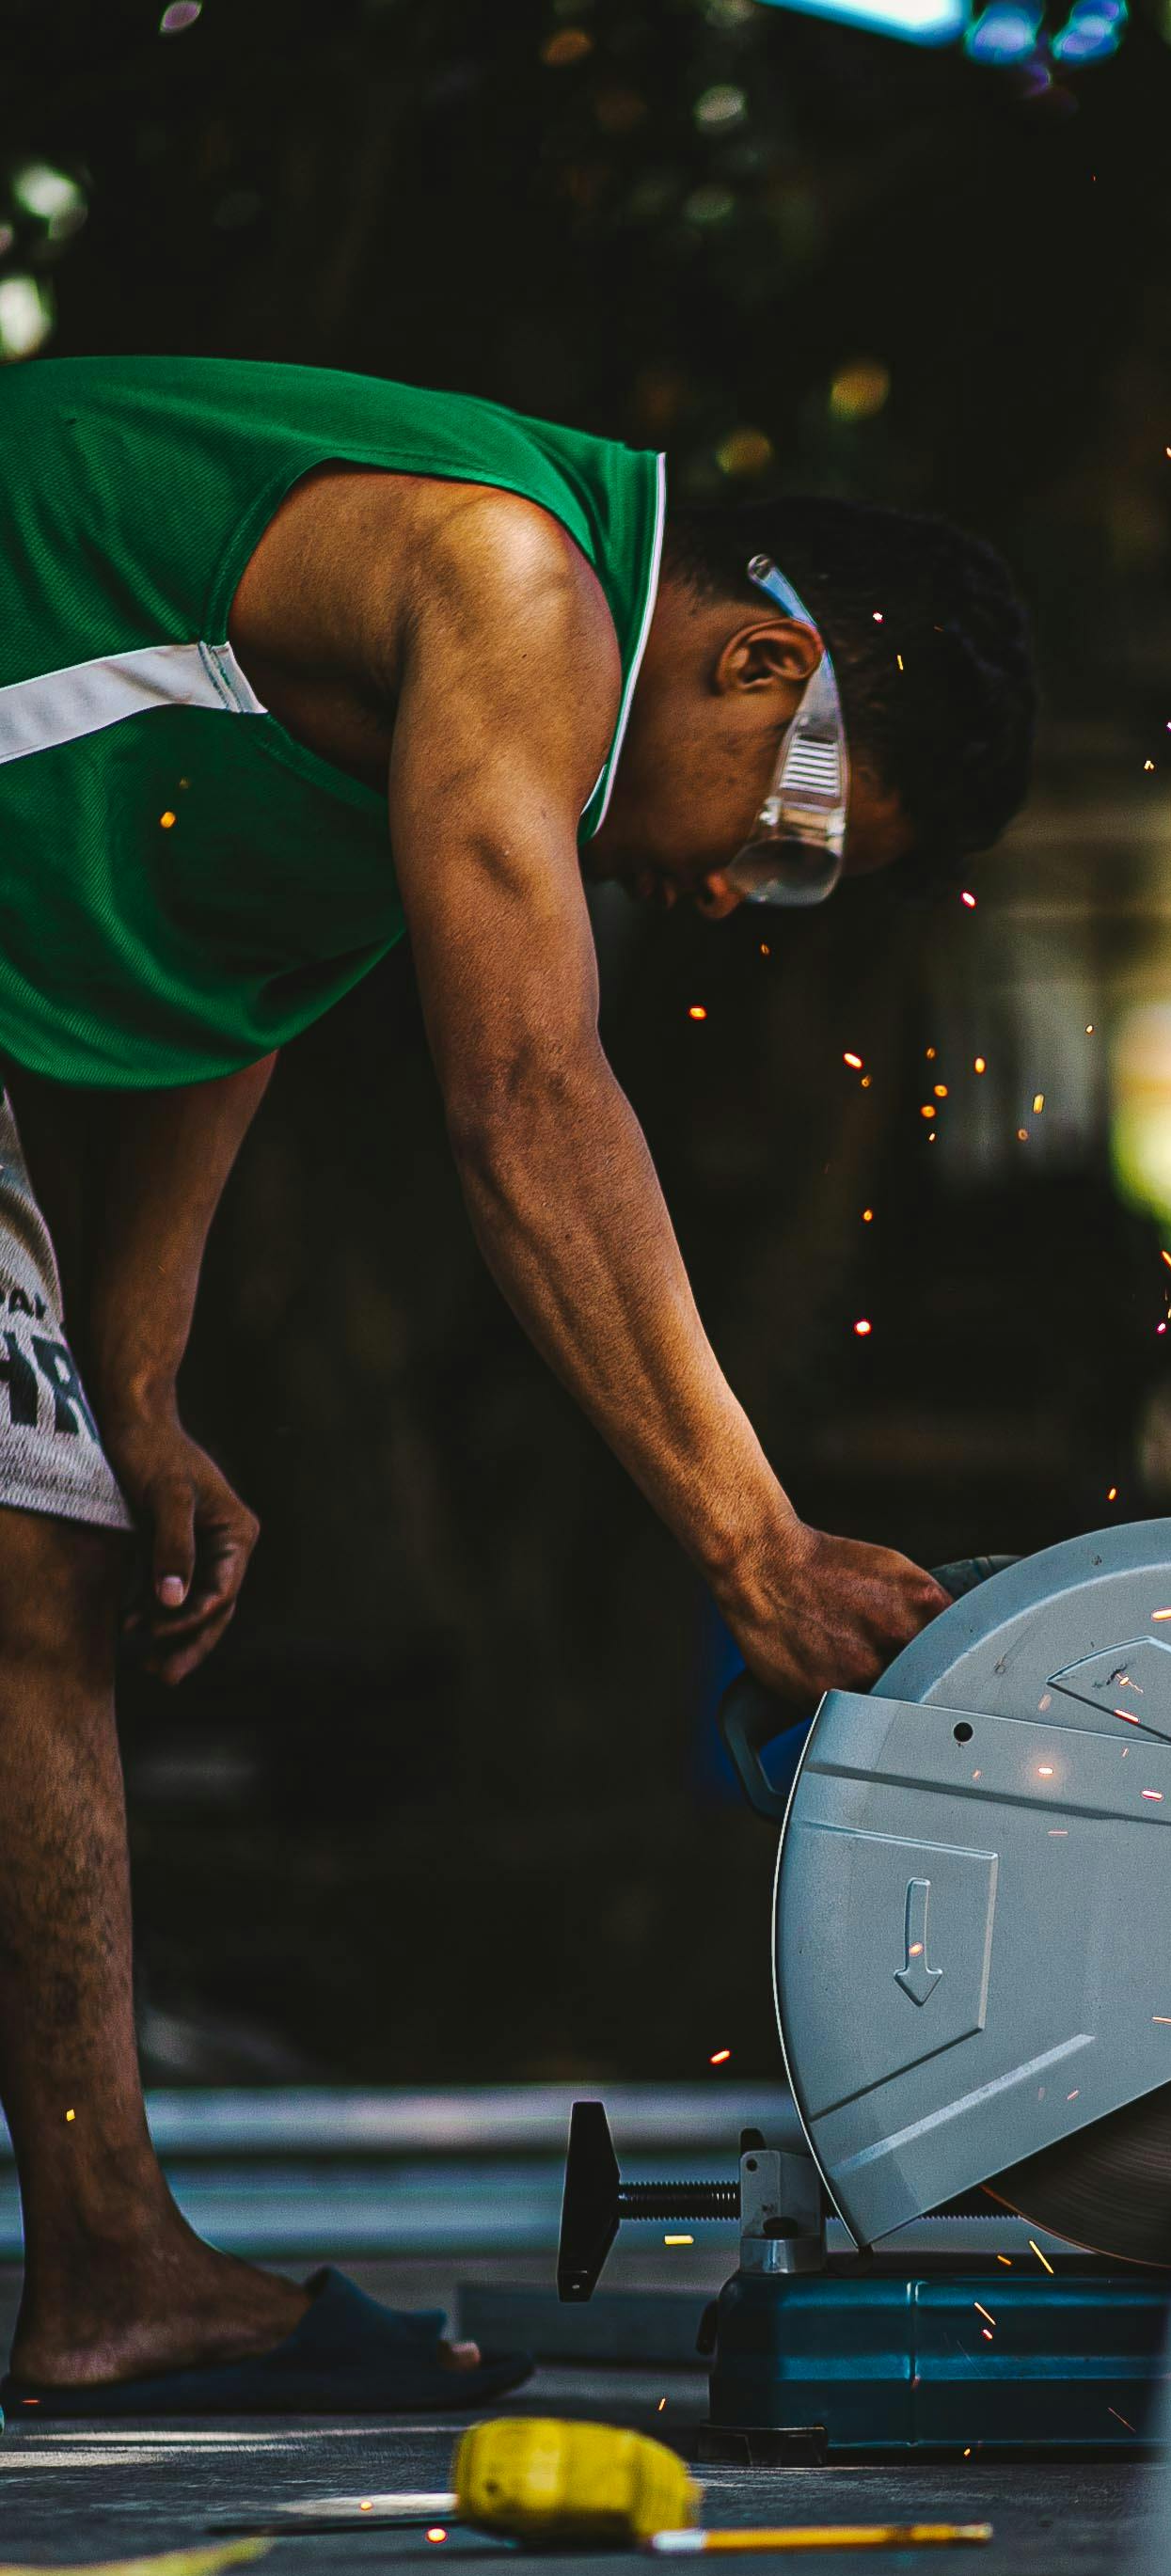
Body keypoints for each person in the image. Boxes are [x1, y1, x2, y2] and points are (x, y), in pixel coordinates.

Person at [0, 354, 1036, 2413]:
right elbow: (532, 1098)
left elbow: (227, 968)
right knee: (22, 1595)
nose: (746, 893)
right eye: (802, 841)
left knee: (43, 1576)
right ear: (754, 660)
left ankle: (114, 2266)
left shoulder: (438, 687)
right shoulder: (511, 581)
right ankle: (114, 2268)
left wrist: (137, 1385)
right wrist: (753, 1542)